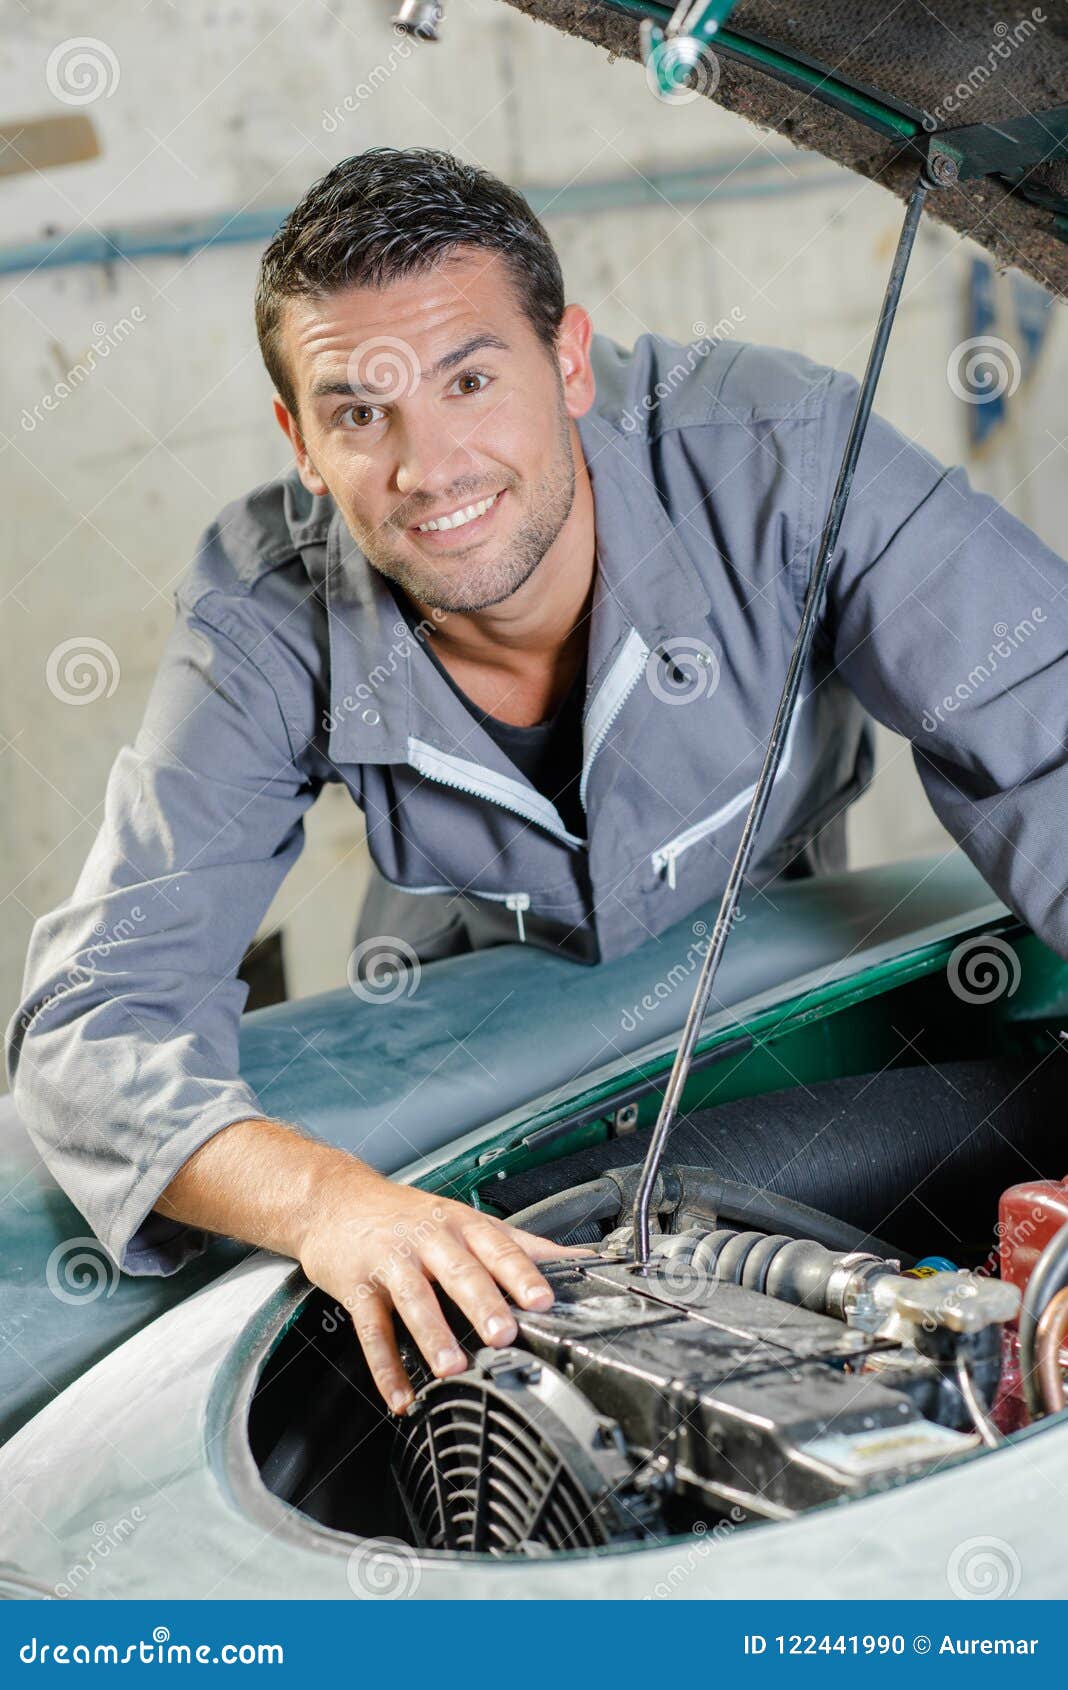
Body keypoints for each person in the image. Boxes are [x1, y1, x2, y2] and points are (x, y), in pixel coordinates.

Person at [7, 147, 1067, 1412]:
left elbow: (1046, 738)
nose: (429, 467)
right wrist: (333, 1204)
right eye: (359, 411)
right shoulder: (261, 612)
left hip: (758, 909)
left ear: (568, 359)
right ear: (299, 440)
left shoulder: (783, 457)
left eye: (469, 378)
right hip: (455, 971)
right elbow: (94, 1020)